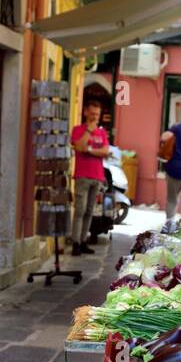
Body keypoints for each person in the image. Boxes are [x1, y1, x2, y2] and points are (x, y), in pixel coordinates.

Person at [70, 101, 109, 256]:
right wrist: (88, 131)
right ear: (86, 112)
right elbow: (79, 147)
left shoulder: (101, 132)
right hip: (82, 176)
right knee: (79, 210)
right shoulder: (78, 130)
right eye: (92, 114)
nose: (95, 117)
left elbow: (105, 151)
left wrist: (90, 150)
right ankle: (75, 243)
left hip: (97, 176)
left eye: (97, 114)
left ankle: (83, 240)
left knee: (89, 211)